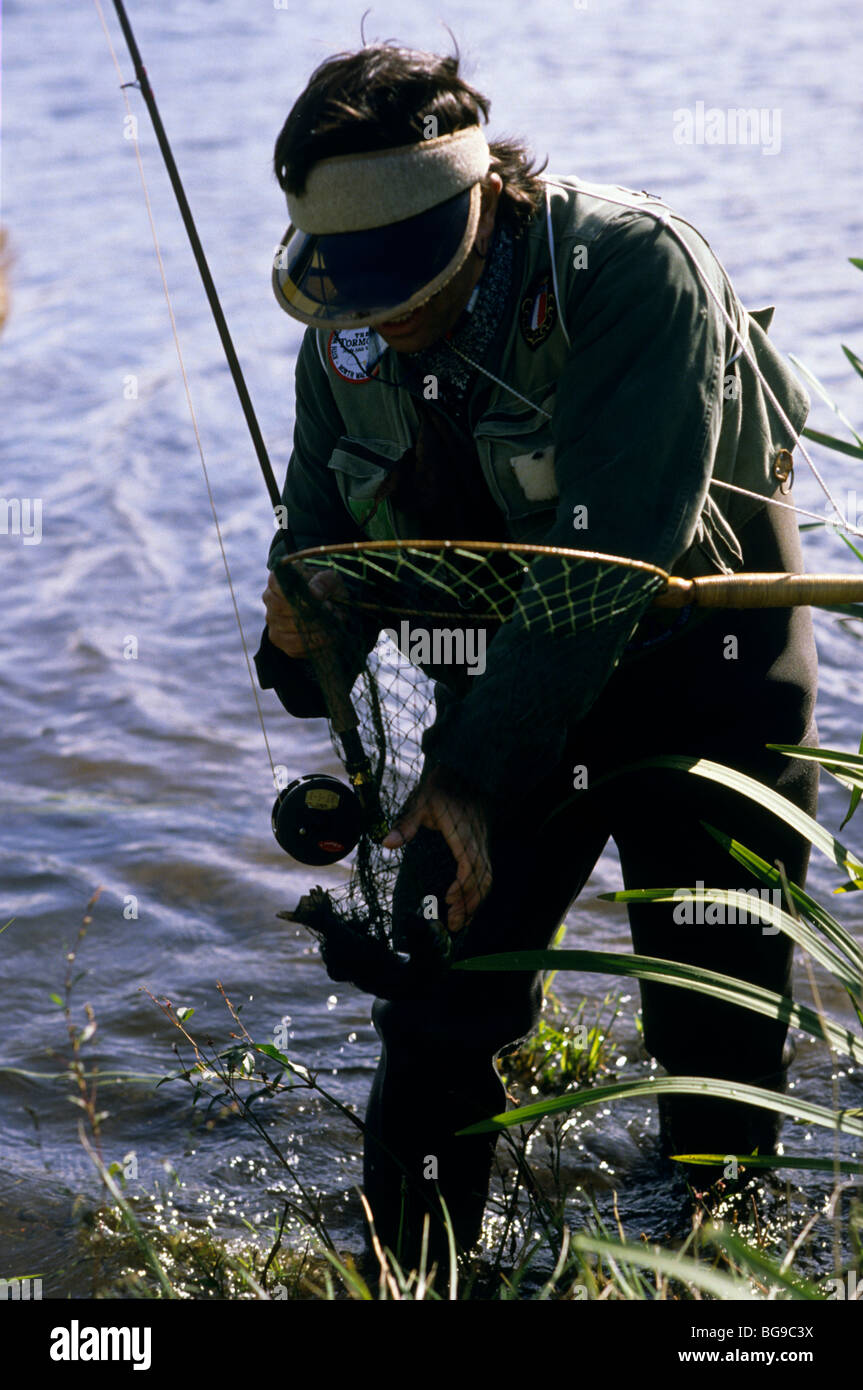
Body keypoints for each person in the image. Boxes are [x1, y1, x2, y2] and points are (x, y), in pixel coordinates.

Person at [255, 44, 819, 1269]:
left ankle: (725, 1283)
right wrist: (299, 639)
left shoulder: (629, 270)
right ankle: (413, 1276)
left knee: (712, 1010)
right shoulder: (346, 334)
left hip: (702, 660)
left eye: (403, 275)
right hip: (499, 684)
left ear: (480, 198)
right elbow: (325, 559)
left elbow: (599, 565)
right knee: (437, 1001)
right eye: (348, 288)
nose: (376, 317)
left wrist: (465, 774)